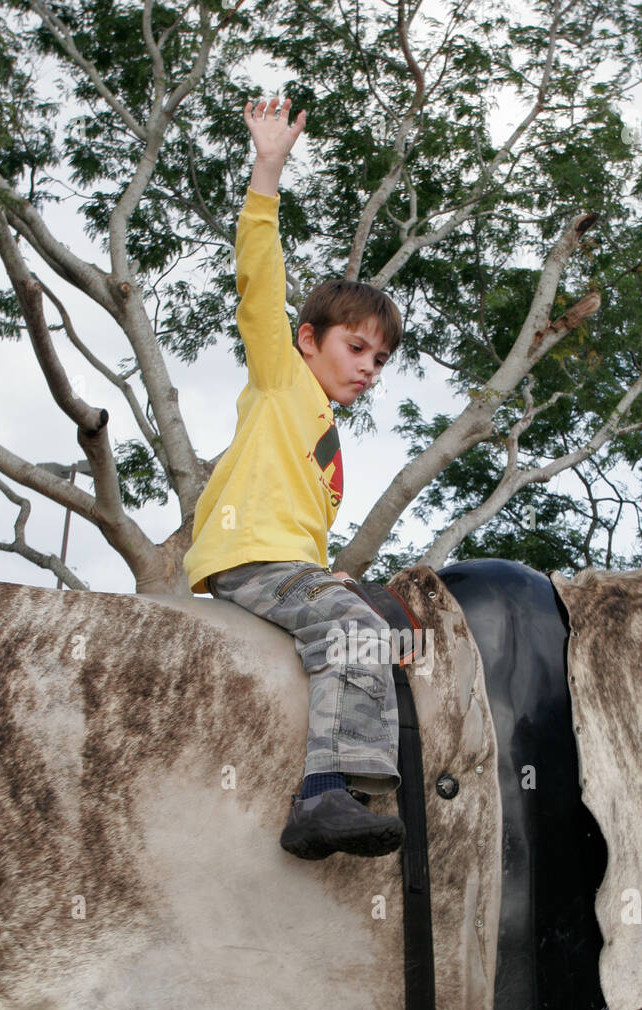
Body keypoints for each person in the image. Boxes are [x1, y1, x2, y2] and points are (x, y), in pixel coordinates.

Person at [183, 96, 406, 861]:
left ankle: (368, 791)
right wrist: (267, 171)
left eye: (379, 361)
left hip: (289, 566)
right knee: (353, 628)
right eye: (356, 349)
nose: (368, 370)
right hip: (250, 560)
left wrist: (333, 575)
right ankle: (322, 796)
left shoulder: (327, 441)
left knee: (377, 616)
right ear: (307, 340)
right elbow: (258, 277)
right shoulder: (282, 379)